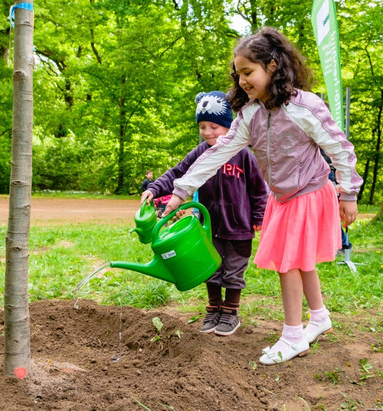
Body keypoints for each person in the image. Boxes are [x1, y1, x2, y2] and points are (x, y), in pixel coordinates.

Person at [160, 28, 362, 364]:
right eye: (237, 74)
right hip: (282, 198)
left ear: (272, 65)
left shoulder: (305, 107)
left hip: (309, 193)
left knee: (288, 263)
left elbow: (339, 148)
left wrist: (349, 192)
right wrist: (181, 190)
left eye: (248, 72)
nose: (241, 81)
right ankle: (320, 316)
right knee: (300, 261)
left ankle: (293, 335)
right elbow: (216, 153)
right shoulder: (251, 114)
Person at [142, 91, 267, 336]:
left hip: (239, 227)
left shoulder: (242, 154)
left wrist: (258, 217)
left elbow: (258, 189)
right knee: (211, 268)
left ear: (229, 126)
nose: (208, 132)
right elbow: (177, 173)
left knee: (234, 270)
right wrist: (155, 188)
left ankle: (230, 311)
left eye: (214, 126)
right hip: (209, 226)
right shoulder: (199, 153)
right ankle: (213, 309)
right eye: (202, 126)